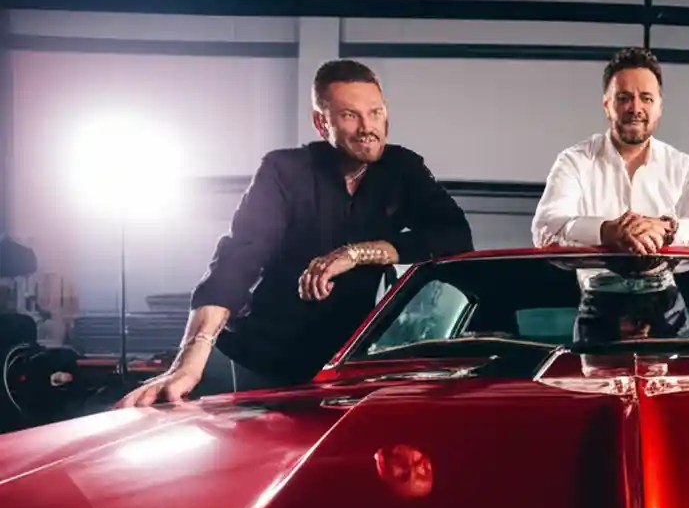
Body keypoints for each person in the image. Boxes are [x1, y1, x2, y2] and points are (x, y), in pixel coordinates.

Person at [120, 59, 472, 407]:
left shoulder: (402, 169)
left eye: (376, 112)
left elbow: (454, 235)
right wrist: (189, 360)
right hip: (253, 360)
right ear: (322, 123)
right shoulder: (283, 170)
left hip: (336, 369)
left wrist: (357, 254)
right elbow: (237, 259)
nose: (368, 127)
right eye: (350, 115)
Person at [531, 47, 689, 254]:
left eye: (646, 98)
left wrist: (668, 229)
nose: (635, 108)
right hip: (585, 284)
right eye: (623, 97)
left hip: (670, 285)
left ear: (659, 107)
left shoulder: (683, 167)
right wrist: (604, 231)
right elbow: (544, 230)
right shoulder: (574, 161)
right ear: (606, 104)